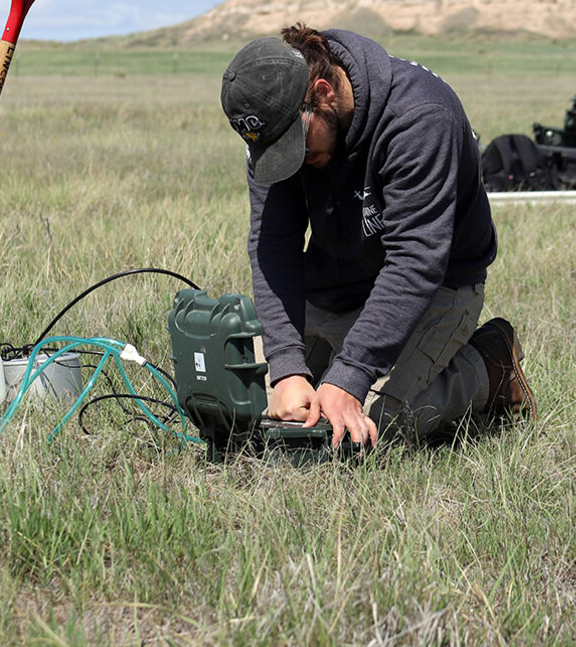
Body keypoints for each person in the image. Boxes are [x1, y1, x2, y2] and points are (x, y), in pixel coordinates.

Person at [220, 23, 535, 448]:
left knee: (354, 434)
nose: (291, 160)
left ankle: (487, 366)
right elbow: (274, 243)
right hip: (339, 283)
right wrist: (287, 368)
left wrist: (351, 374)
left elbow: (416, 261)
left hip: (437, 287)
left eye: (299, 147)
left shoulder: (420, 116)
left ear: (323, 93)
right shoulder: (275, 126)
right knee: (243, 402)